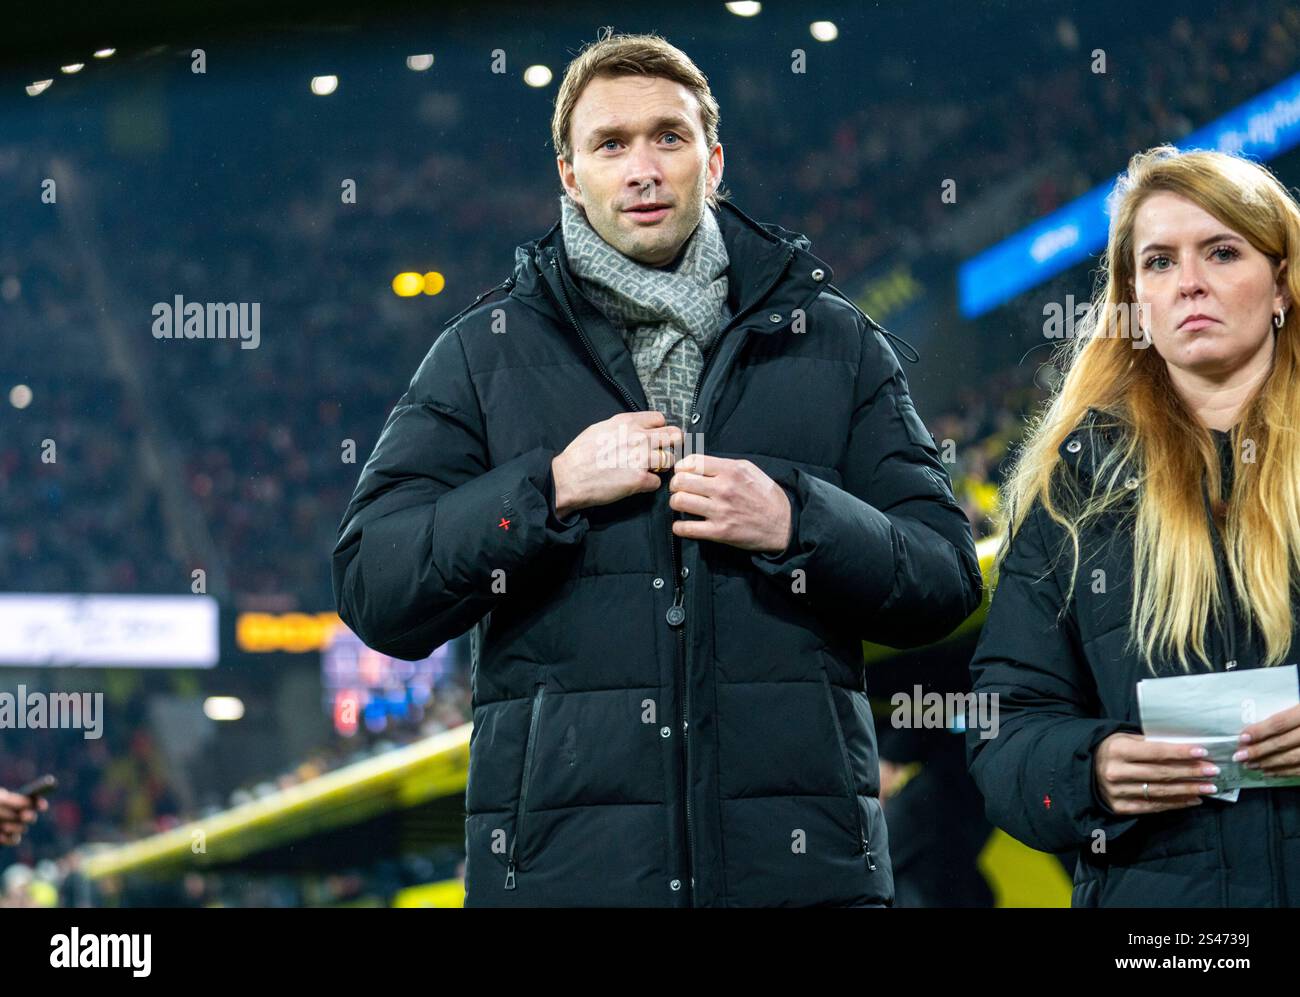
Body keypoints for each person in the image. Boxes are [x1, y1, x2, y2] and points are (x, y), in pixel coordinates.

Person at [333, 29, 982, 907]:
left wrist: (800, 519)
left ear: (713, 161)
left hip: (798, 882)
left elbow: (944, 574)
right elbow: (376, 582)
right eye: (610, 144)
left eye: (668, 138)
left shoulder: (835, 343)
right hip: (569, 885)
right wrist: (547, 488)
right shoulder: (480, 356)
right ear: (570, 174)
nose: (643, 169)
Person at [967, 144, 1300, 907]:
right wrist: (1091, 767)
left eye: (1222, 251)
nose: (1189, 283)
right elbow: (1004, 725)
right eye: (1158, 262)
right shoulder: (1073, 489)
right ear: (1132, 300)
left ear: (1281, 281)